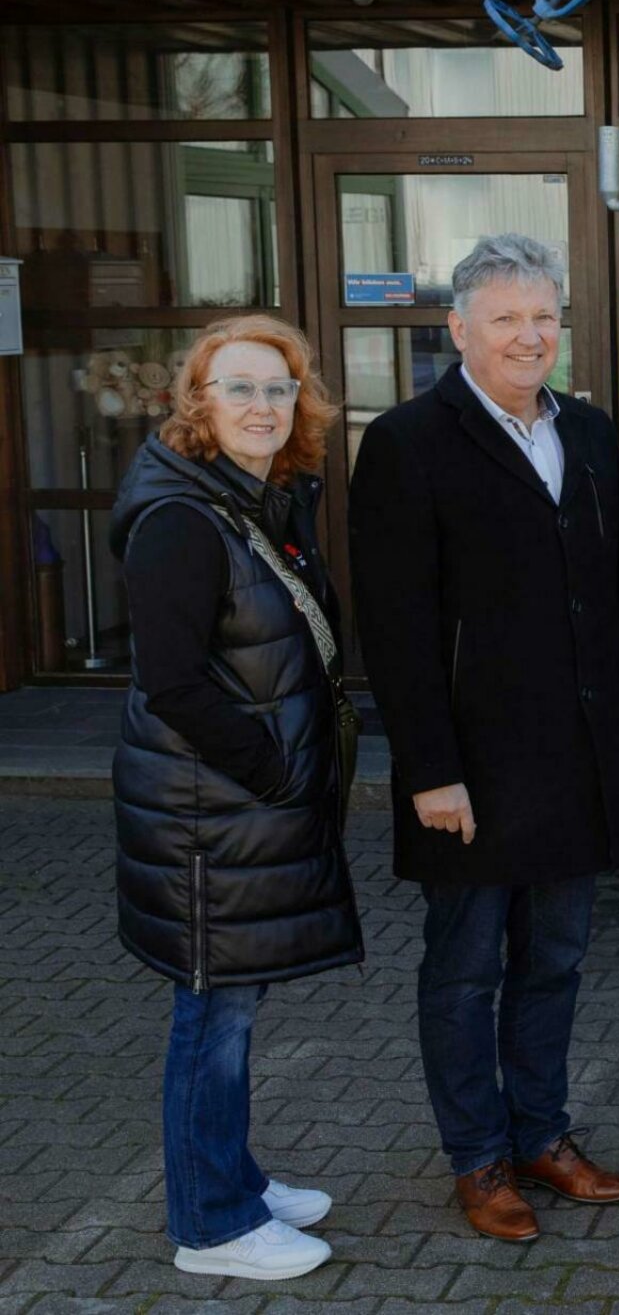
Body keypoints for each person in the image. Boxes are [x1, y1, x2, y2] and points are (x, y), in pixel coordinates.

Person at [350, 234, 619, 1243]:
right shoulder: (407, 442)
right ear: (459, 330)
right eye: (506, 319)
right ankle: (478, 1161)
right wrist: (427, 769)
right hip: (471, 771)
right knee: (465, 968)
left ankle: (541, 1138)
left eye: (543, 317)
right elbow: (394, 625)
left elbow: (615, 598)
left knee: (555, 961)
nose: (530, 337)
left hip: (576, 759)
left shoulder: (591, 430)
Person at [109, 314, 363, 1280]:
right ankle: (211, 1224)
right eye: (241, 387)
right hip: (209, 818)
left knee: (231, 1010)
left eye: (279, 387)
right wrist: (273, 771)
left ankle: (235, 1178)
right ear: (199, 405)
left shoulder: (251, 499)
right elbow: (173, 681)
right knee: (211, 1019)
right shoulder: (181, 518)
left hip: (235, 812)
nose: (263, 405)